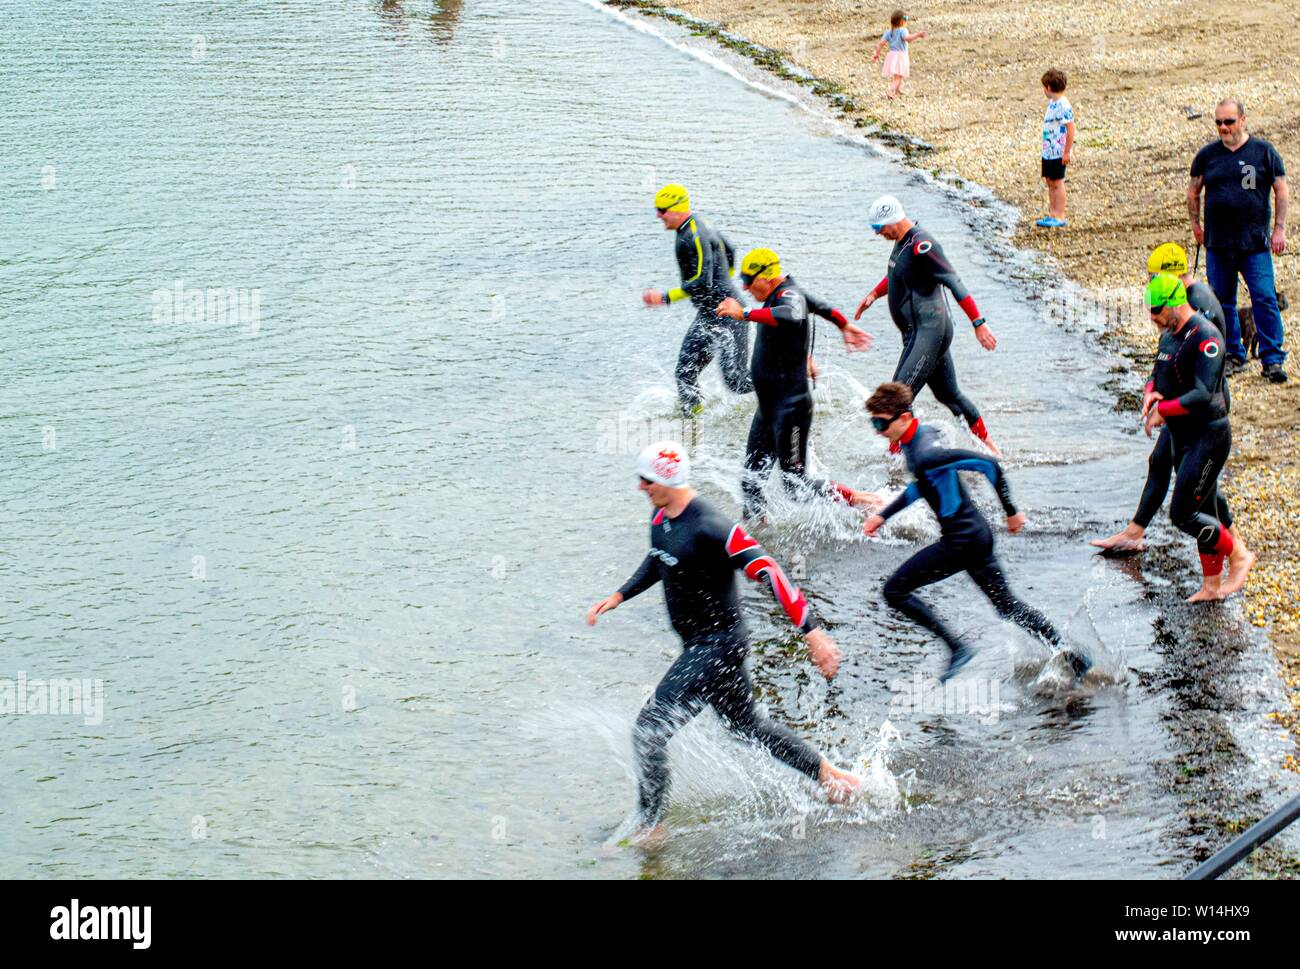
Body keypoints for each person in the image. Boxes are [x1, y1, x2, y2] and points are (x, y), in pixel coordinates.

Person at [586, 442, 861, 843]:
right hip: (702, 647)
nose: (640, 488)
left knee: (648, 730)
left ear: (665, 479)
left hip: (717, 646)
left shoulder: (712, 527)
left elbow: (770, 570)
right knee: (745, 726)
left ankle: (651, 826)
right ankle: (831, 777)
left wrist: (812, 631)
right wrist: (621, 595)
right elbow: (659, 556)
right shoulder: (662, 515)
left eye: (646, 480)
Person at [859, 383, 1081, 681]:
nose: (877, 431)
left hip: (961, 542)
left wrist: (1011, 511)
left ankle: (957, 648)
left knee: (894, 590)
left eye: (880, 423)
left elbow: (988, 464)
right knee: (1007, 606)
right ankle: (1069, 653)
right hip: (975, 536)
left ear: (903, 417)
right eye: (874, 423)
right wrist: (883, 516)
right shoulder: (922, 438)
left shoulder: (923, 453)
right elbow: (924, 485)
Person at [1092, 242, 1234, 553]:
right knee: (1163, 462)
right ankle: (1136, 531)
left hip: (1201, 405)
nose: (1149, 283)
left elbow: (1204, 364)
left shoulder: (1197, 304)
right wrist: (1154, 388)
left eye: (1153, 276)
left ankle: (1235, 546)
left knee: (1200, 483)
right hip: (1186, 399)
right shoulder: (1184, 303)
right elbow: (1171, 357)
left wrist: (1168, 406)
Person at [715, 248, 872, 520]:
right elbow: (823, 307)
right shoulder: (783, 294)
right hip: (767, 410)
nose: (745, 287)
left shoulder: (789, 295)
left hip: (791, 410)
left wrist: (745, 313)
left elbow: (791, 314)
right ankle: (757, 539)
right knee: (750, 482)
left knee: (796, 486)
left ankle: (862, 500)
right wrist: (843, 326)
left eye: (749, 280)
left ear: (768, 276)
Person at [854, 195, 1001, 455]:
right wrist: (874, 295)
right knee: (949, 395)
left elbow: (954, 282)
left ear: (892, 221)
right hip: (920, 334)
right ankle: (989, 448)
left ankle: (901, 463)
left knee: (894, 400)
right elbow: (898, 274)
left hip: (930, 332)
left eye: (879, 229)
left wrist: (978, 323)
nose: (878, 234)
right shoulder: (902, 242)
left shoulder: (924, 245)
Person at [1142, 275, 1255, 601]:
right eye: (1149, 310)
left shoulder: (1207, 337)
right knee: (1204, 506)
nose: (1152, 316)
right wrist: (1151, 393)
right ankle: (1211, 586)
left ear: (1177, 302)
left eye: (1157, 309)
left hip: (1209, 435)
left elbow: (1204, 394)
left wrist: (1165, 408)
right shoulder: (1169, 336)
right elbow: (1157, 373)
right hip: (1183, 436)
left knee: (1183, 514)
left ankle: (1240, 556)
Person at [1188, 97, 1289, 383]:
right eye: (1218, 122)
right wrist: (1196, 224)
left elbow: (1281, 189)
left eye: (1229, 121)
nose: (1223, 127)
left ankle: (1272, 358)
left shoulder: (1264, 152)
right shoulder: (1207, 155)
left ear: (1242, 120)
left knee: (1264, 298)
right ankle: (1233, 354)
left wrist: (1279, 228)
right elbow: (1194, 190)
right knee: (1222, 303)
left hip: (1254, 243)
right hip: (1218, 243)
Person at [641, 184, 754, 416]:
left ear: (677, 208)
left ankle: (790, 375)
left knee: (737, 382)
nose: (658, 216)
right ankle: (692, 423)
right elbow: (729, 249)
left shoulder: (693, 235)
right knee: (685, 373)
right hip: (708, 314)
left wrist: (664, 297)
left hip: (729, 313)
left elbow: (703, 282)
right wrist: (726, 278)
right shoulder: (698, 224)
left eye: (662, 210)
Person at [1035, 69, 1075, 229]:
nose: (1044, 90)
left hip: (1059, 151)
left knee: (1058, 182)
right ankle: (1053, 213)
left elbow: (1071, 129)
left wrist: (1067, 151)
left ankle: (1060, 215)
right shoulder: (1052, 104)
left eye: (1044, 87)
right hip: (1048, 150)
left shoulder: (1064, 105)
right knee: (1050, 180)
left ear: (1049, 87)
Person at [870, 10, 926, 100]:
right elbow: (908, 39)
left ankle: (897, 90)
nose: (906, 20)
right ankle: (890, 91)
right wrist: (918, 35)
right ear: (902, 21)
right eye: (906, 18)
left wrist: (877, 54)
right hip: (901, 56)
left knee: (897, 75)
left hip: (891, 55)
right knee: (899, 76)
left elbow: (881, 43)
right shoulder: (903, 30)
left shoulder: (889, 32)